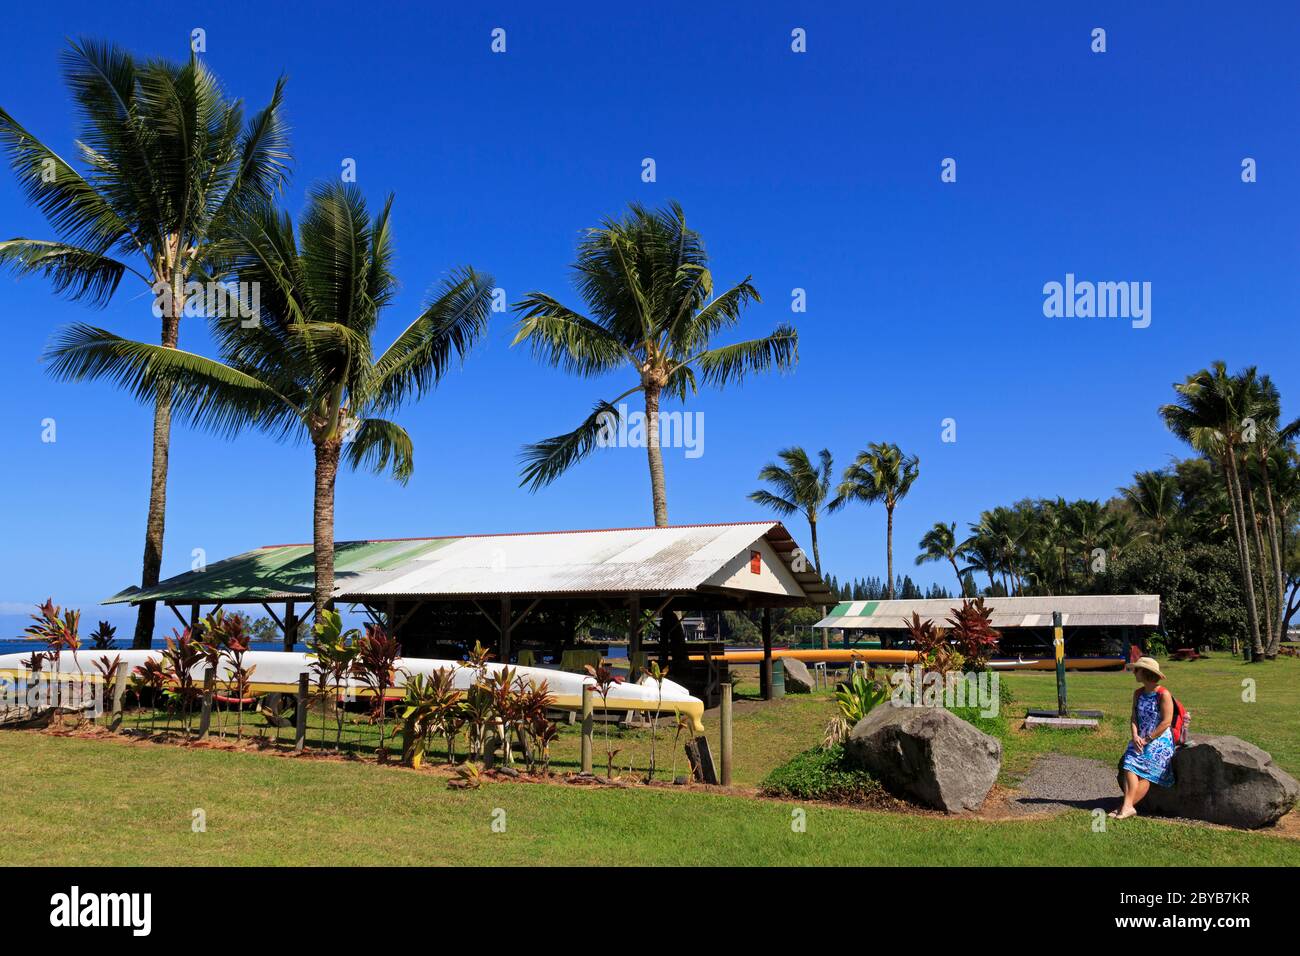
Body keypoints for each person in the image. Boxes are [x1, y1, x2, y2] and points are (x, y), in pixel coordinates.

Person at [1112, 656, 1175, 820]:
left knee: (1145, 770)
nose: (1134, 672)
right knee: (1129, 765)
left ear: (1145, 673)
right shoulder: (1138, 693)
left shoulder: (1163, 694)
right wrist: (1135, 736)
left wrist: (1147, 739)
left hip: (1160, 740)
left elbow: (1167, 722)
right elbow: (1134, 718)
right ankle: (1127, 807)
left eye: (1137, 669)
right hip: (1141, 737)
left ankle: (1124, 806)